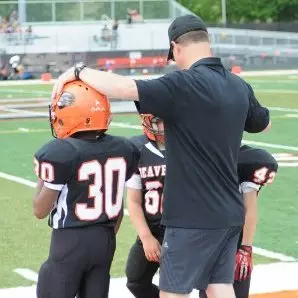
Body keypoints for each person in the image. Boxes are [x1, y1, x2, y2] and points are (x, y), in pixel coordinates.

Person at [52, 14, 271, 298]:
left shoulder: (182, 84)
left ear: (176, 47)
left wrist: (78, 71)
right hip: (229, 212)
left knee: (172, 293)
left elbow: (125, 87)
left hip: (191, 215)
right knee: (219, 287)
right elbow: (262, 124)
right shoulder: (238, 85)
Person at [33, 80, 139, 298]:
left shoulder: (60, 151)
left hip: (70, 241)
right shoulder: (125, 148)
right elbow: (116, 203)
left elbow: (40, 210)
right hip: (106, 237)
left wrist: (43, 177)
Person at [200, 144, 278, 298]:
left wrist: (245, 248)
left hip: (229, 233)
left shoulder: (247, 162)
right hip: (211, 229)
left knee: (231, 280)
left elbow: (250, 207)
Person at [125, 114, 165, 298]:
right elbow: (133, 201)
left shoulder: (188, 146)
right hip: (152, 228)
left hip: (181, 230)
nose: (165, 126)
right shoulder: (138, 150)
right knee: (136, 279)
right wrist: (146, 236)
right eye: (159, 121)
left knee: (174, 285)